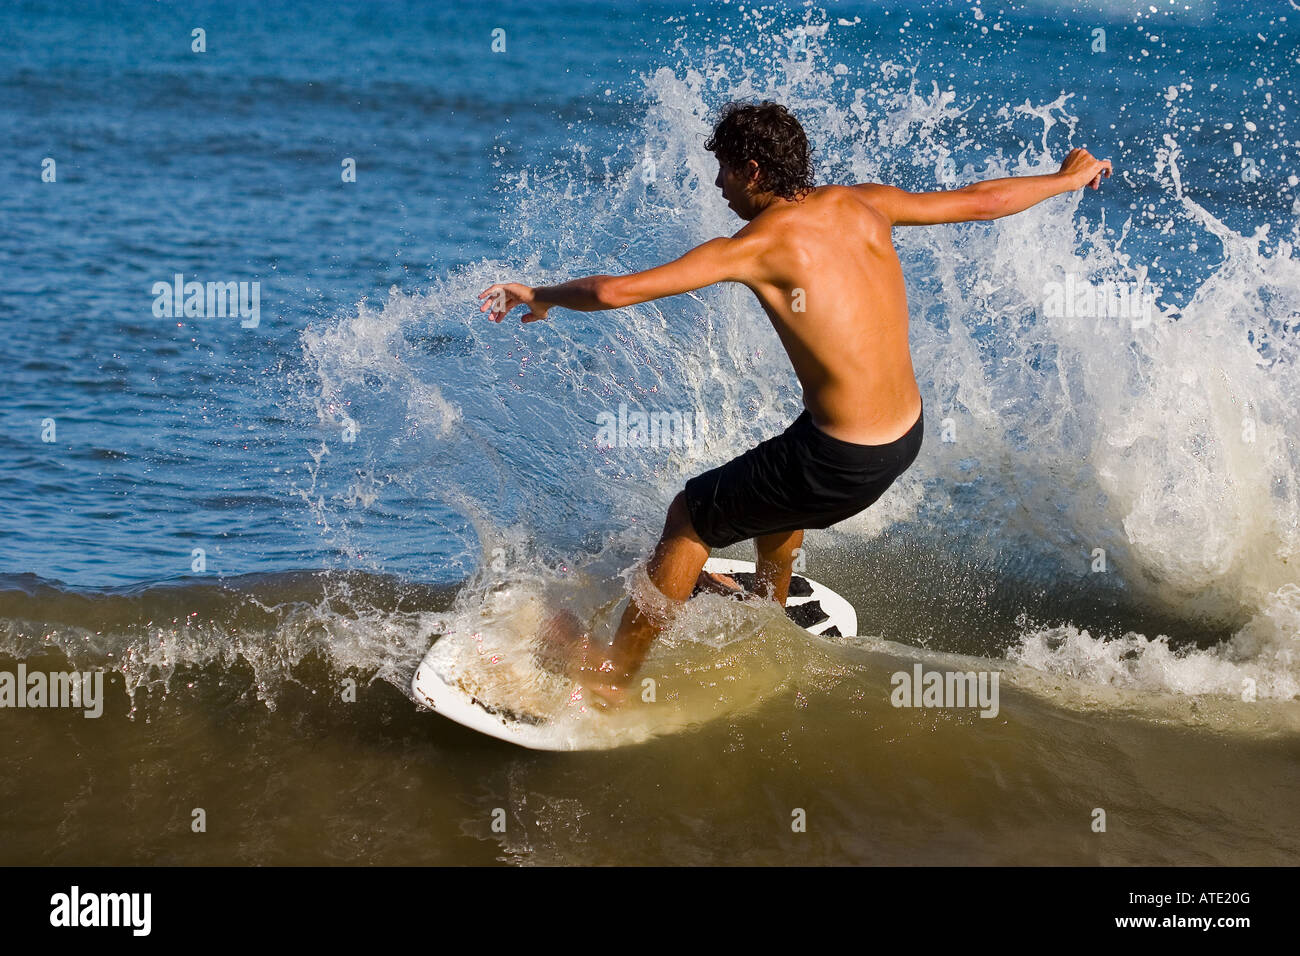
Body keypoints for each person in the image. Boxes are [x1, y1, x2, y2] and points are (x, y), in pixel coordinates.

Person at [478, 100, 1111, 705]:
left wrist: (543, 293)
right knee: (781, 470)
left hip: (839, 459)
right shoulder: (864, 202)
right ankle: (767, 611)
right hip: (902, 438)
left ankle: (614, 676)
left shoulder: (758, 245)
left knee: (690, 519)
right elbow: (984, 201)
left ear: (753, 170)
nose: (719, 185)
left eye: (724, 168)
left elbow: (617, 292)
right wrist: (1067, 179)